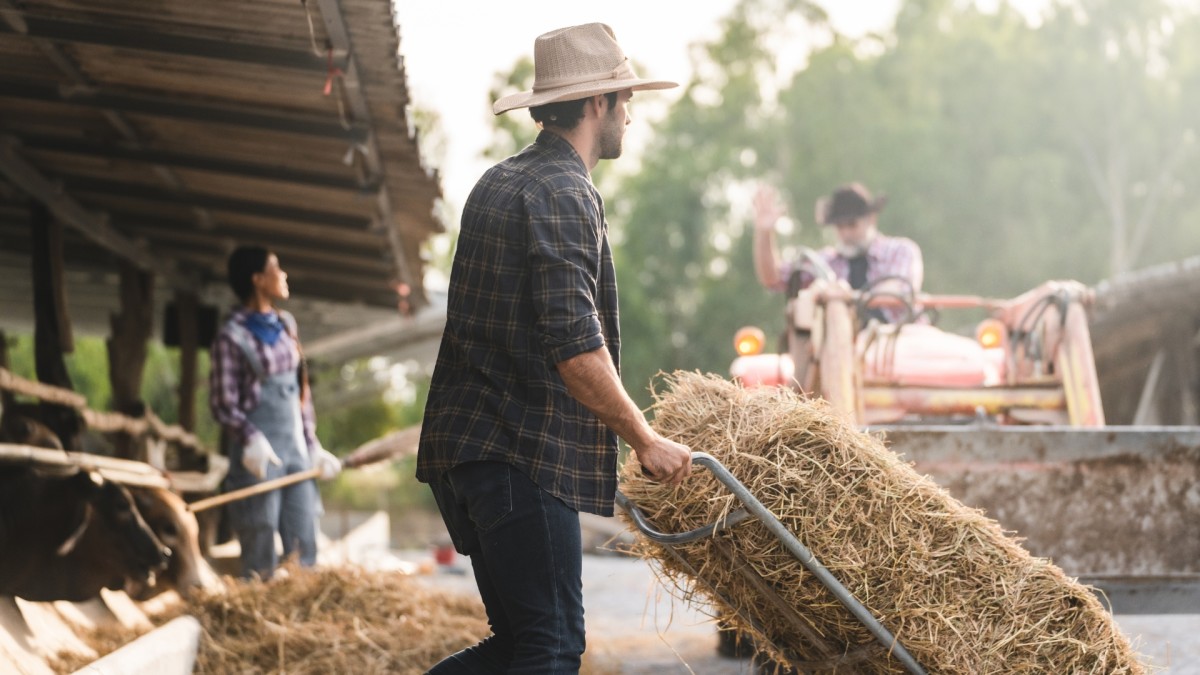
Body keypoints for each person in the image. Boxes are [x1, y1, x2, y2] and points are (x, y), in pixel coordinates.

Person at [416, 23, 693, 673]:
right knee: (551, 644)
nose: (632, 111)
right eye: (626, 98)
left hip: (473, 451)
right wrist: (644, 439)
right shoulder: (566, 192)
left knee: (518, 642)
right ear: (597, 104)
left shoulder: (496, 182)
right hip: (521, 453)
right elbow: (575, 346)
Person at [209, 246, 341, 580]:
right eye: (276, 268)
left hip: (295, 450)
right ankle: (260, 611)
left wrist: (313, 444)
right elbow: (223, 403)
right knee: (260, 534)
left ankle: (305, 620)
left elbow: (301, 393)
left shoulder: (286, 325)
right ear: (257, 280)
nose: (283, 275)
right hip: (259, 456)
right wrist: (250, 438)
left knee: (303, 533)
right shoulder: (231, 336)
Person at [753, 182, 924, 323]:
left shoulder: (900, 251)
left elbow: (899, 288)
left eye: (851, 225)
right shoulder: (824, 263)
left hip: (901, 343)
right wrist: (764, 233)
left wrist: (844, 296)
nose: (846, 234)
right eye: (840, 226)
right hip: (841, 349)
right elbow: (773, 278)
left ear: (871, 219)